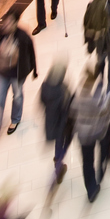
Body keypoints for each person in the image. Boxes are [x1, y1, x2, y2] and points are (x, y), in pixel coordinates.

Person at [0, 6, 37, 137]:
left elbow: (31, 54)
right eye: (6, 21)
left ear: (16, 22)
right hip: (2, 72)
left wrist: (34, 70)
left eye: (10, 22)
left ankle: (15, 120)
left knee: (17, 96)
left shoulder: (23, 37)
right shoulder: (2, 32)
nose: (7, 24)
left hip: (17, 74)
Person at [70, 66, 110, 202]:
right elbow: (105, 111)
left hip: (83, 135)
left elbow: (72, 111)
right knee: (104, 148)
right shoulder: (98, 95)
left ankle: (91, 189)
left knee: (87, 161)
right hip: (98, 131)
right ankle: (102, 167)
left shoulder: (79, 94)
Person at [40, 60, 73, 189]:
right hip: (63, 124)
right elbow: (69, 106)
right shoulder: (62, 90)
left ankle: (58, 162)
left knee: (58, 143)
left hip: (50, 122)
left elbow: (42, 101)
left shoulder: (45, 86)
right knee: (67, 141)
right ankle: (59, 164)